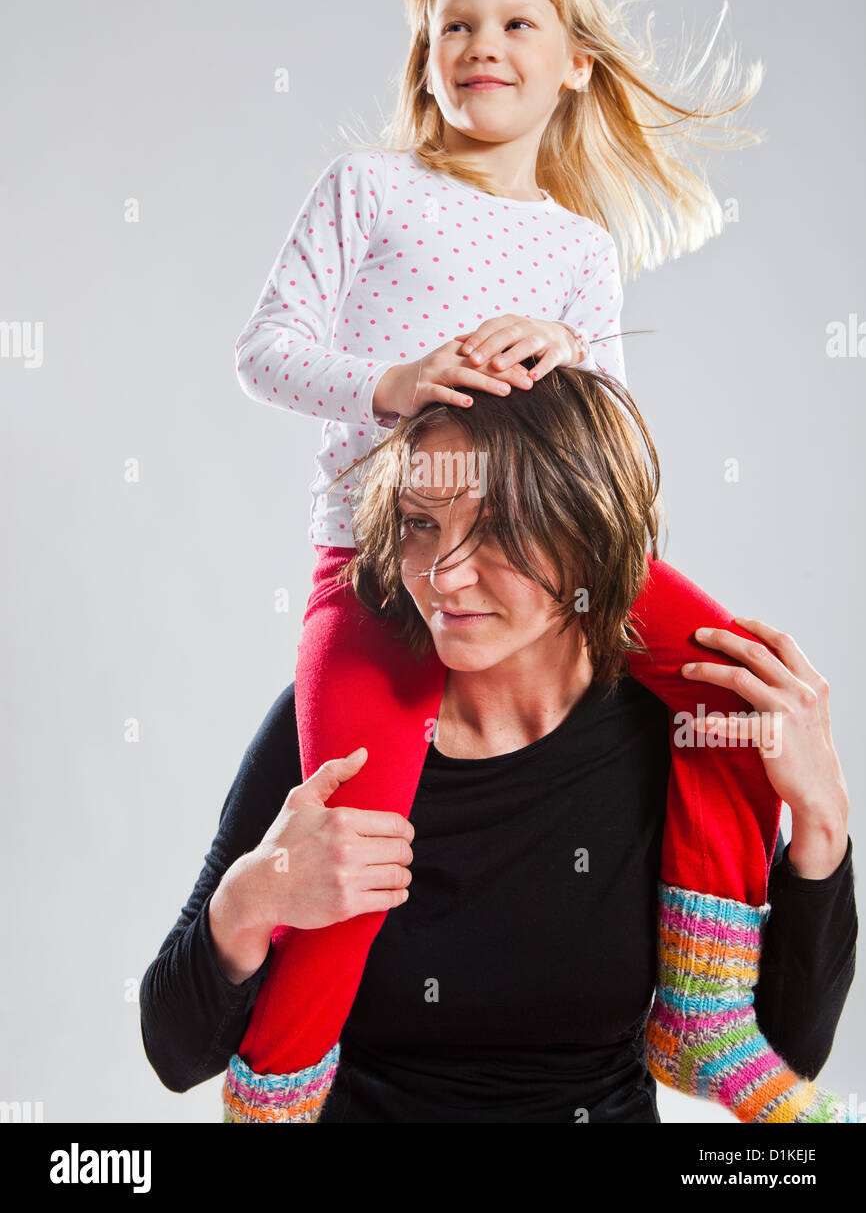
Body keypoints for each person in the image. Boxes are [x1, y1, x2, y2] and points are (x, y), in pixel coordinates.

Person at [225, 0, 850, 1122]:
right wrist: (387, 383)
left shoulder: (576, 246)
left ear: (574, 62)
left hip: (549, 563)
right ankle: (280, 1083)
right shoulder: (368, 188)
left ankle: (706, 1010)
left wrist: (572, 355)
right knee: (356, 821)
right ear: (424, 53)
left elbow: (605, 447)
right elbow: (261, 351)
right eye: (452, 23)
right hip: (375, 566)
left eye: (515, 22)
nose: (479, 44)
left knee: (736, 686)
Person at [140, 368, 857, 1122]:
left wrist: (822, 824)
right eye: (421, 523)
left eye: (497, 530)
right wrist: (251, 902)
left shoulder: (672, 735)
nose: (446, 574)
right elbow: (174, 1053)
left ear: (588, 537)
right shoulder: (332, 733)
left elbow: (783, 1051)